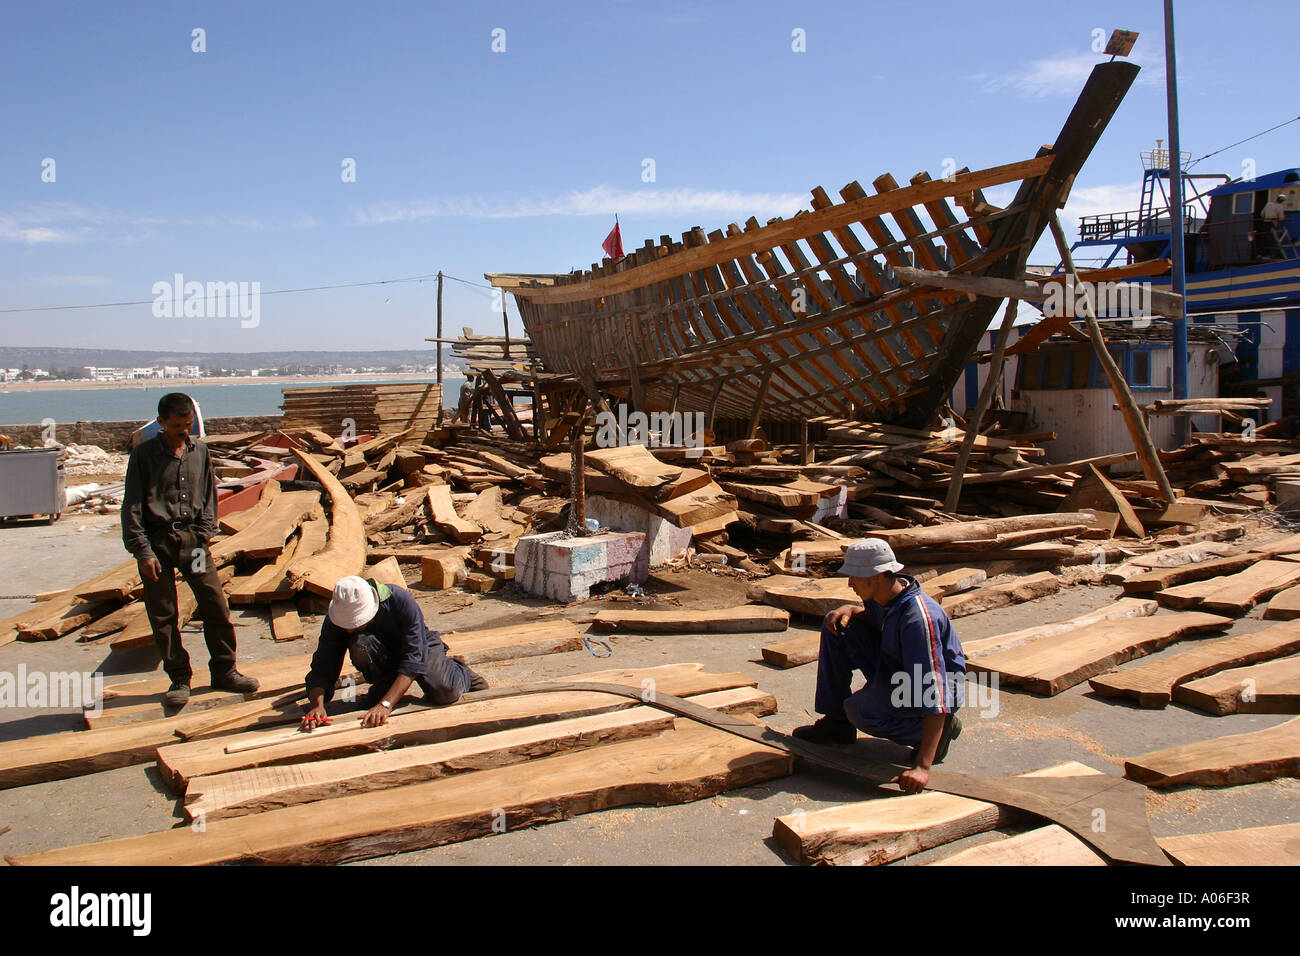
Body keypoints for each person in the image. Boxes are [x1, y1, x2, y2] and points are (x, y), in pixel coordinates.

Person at [792, 538, 965, 794]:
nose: (850, 583)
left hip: (930, 689)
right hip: (897, 667)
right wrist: (851, 609)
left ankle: (932, 733)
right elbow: (876, 619)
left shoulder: (918, 621)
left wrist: (922, 768)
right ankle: (837, 725)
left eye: (854, 577)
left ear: (880, 576)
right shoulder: (882, 596)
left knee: (860, 710)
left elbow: (934, 690)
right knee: (835, 623)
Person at [121, 392, 260, 708]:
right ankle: (179, 678)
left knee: (214, 604)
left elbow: (209, 496)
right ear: (161, 423)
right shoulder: (144, 456)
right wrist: (142, 552)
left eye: (188, 425)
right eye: (178, 426)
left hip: (194, 544)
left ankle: (225, 670)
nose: (184, 432)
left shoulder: (200, 451)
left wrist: (204, 534)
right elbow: (132, 507)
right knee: (164, 614)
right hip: (157, 546)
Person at [301, 576, 488, 729]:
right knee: (361, 645)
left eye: (355, 624)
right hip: (383, 655)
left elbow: (414, 656)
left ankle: (461, 673)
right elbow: (323, 665)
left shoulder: (400, 600)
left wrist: (385, 705)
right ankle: (386, 685)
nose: (349, 630)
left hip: (421, 646)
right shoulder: (336, 618)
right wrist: (317, 704)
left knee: (444, 693)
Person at [1259, 193, 1287, 259]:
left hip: (1266, 223)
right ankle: (1269, 255)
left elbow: (1262, 214)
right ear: (1282, 200)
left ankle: (1262, 254)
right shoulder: (1280, 206)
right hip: (1273, 224)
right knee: (1272, 240)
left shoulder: (1268, 204)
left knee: (1265, 238)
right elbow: (1281, 218)